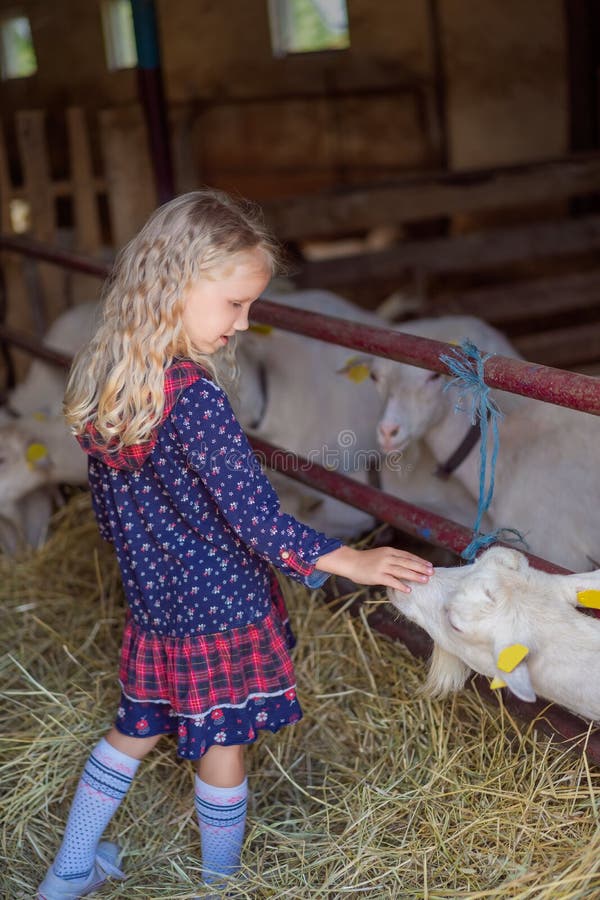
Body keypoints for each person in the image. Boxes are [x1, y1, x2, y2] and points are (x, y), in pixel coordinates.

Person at [38, 189, 433, 899]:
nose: (244, 323)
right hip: (220, 609)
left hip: (158, 607)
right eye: (235, 304)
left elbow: (107, 511)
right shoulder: (193, 396)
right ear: (176, 284)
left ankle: (68, 870)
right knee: (223, 745)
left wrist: (152, 566)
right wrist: (353, 560)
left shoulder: (108, 383)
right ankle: (219, 885)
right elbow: (258, 519)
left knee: (131, 730)